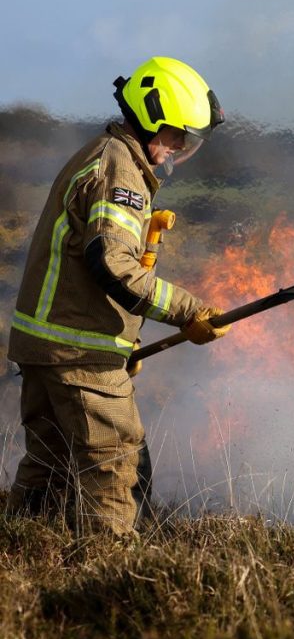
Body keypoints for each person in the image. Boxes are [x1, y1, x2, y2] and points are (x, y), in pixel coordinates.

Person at [6, 56, 232, 535]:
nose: (177, 151)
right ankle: (105, 577)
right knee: (115, 465)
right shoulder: (122, 170)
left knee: (49, 466)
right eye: (176, 137)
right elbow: (112, 262)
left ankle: (19, 553)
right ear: (151, 117)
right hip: (76, 351)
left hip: (48, 345)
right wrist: (189, 311)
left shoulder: (102, 152)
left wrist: (119, 343)